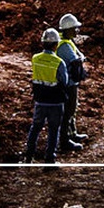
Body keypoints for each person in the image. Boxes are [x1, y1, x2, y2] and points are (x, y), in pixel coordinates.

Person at [23, 28, 69, 168]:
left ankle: (28, 157)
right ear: (56, 45)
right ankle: (49, 160)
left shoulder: (35, 58)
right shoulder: (59, 62)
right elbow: (64, 81)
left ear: (43, 43)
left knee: (35, 127)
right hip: (55, 101)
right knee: (53, 130)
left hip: (40, 100)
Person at [56, 13, 88, 152]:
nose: (77, 31)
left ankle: (72, 133)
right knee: (68, 111)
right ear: (68, 29)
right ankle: (65, 140)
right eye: (74, 28)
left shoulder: (65, 41)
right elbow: (76, 59)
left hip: (68, 82)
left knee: (72, 109)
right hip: (68, 84)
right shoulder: (64, 45)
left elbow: (79, 56)